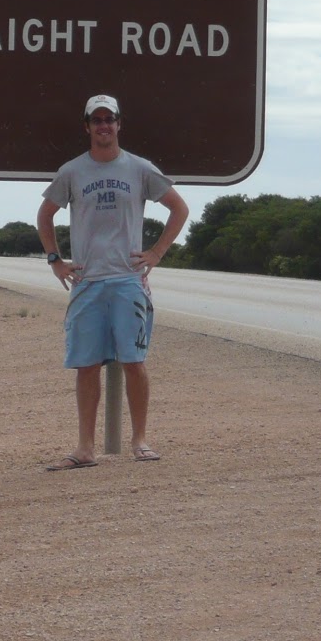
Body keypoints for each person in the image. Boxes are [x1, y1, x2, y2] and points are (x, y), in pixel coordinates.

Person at [36, 93, 189, 470]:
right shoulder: (72, 172)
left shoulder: (139, 168)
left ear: (119, 124)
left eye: (109, 119)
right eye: (97, 120)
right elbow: (45, 214)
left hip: (128, 281)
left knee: (133, 361)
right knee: (86, 365)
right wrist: (55, 260)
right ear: (87, 127)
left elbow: (179, 208)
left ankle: (140, 441)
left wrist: (156, 252)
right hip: (87, 282)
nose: (104, 126)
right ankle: (85, 448)